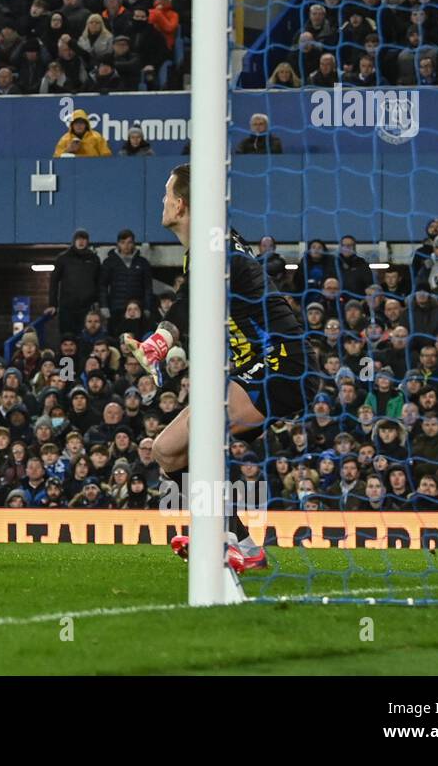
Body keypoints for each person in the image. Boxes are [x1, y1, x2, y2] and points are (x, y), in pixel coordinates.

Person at [123, 163, 320, 573]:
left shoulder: (218, 247)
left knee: (201, 431)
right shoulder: (209, 246)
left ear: (180, 204)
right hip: (254, 371)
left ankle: (219, 535)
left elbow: (191, 299)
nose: (162, 202)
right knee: (166, 451)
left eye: (165, 194)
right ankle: (245, 544)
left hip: (284, 364)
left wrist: (162, 339)